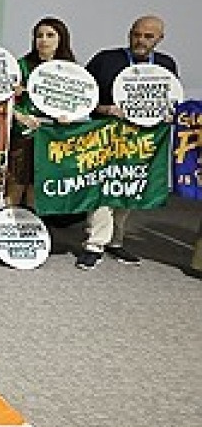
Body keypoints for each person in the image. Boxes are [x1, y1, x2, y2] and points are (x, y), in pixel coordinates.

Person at [76, 15, 178, 271]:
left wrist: (168, 114)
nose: (140, 40)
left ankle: (115, 240)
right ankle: (94, 244)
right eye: (136, 34)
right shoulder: (106, 59)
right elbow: (81, 95)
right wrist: (106, 109)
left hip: (144, 139)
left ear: (160, 39)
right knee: (104, 189)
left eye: (148, 36)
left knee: (129, 189)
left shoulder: (166, 65)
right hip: (107, 134)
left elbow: (170, 100)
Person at [9, 17, 76, 207]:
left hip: (53, 138)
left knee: (38, 187)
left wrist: (70, 116)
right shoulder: (21, 65)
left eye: (50, 35)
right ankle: (6, 229)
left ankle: (31, 230)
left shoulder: (72, 70)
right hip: (23, 136)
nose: (44, 40)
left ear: (61, 39)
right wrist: (19, 115)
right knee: (16, 183)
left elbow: (80, 105)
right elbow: (5, 100)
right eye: (39, 36)